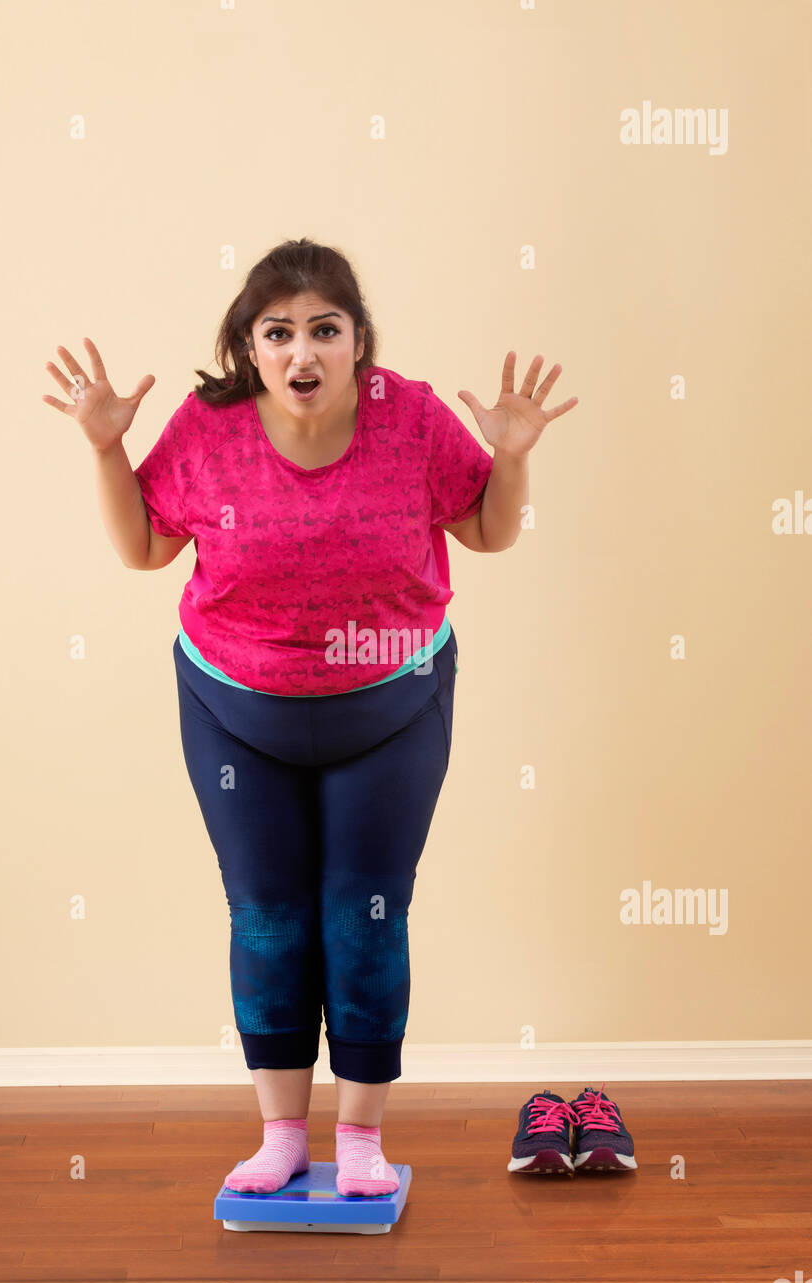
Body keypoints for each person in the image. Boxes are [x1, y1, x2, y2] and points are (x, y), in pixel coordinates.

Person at [42, 236, 577, 1197]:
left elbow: (489, 531)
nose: (304, 352)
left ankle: (362, 1140)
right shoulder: (208, 432)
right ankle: (283, 1133)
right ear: (249, 348)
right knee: (269, 917)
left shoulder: (407, 418)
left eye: (325, 330)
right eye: (278, 332)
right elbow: (144, 551)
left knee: (364, 915)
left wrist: (511, 456)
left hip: (392, 709)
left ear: (358, 343)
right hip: (238, 710)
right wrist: (104, 447)